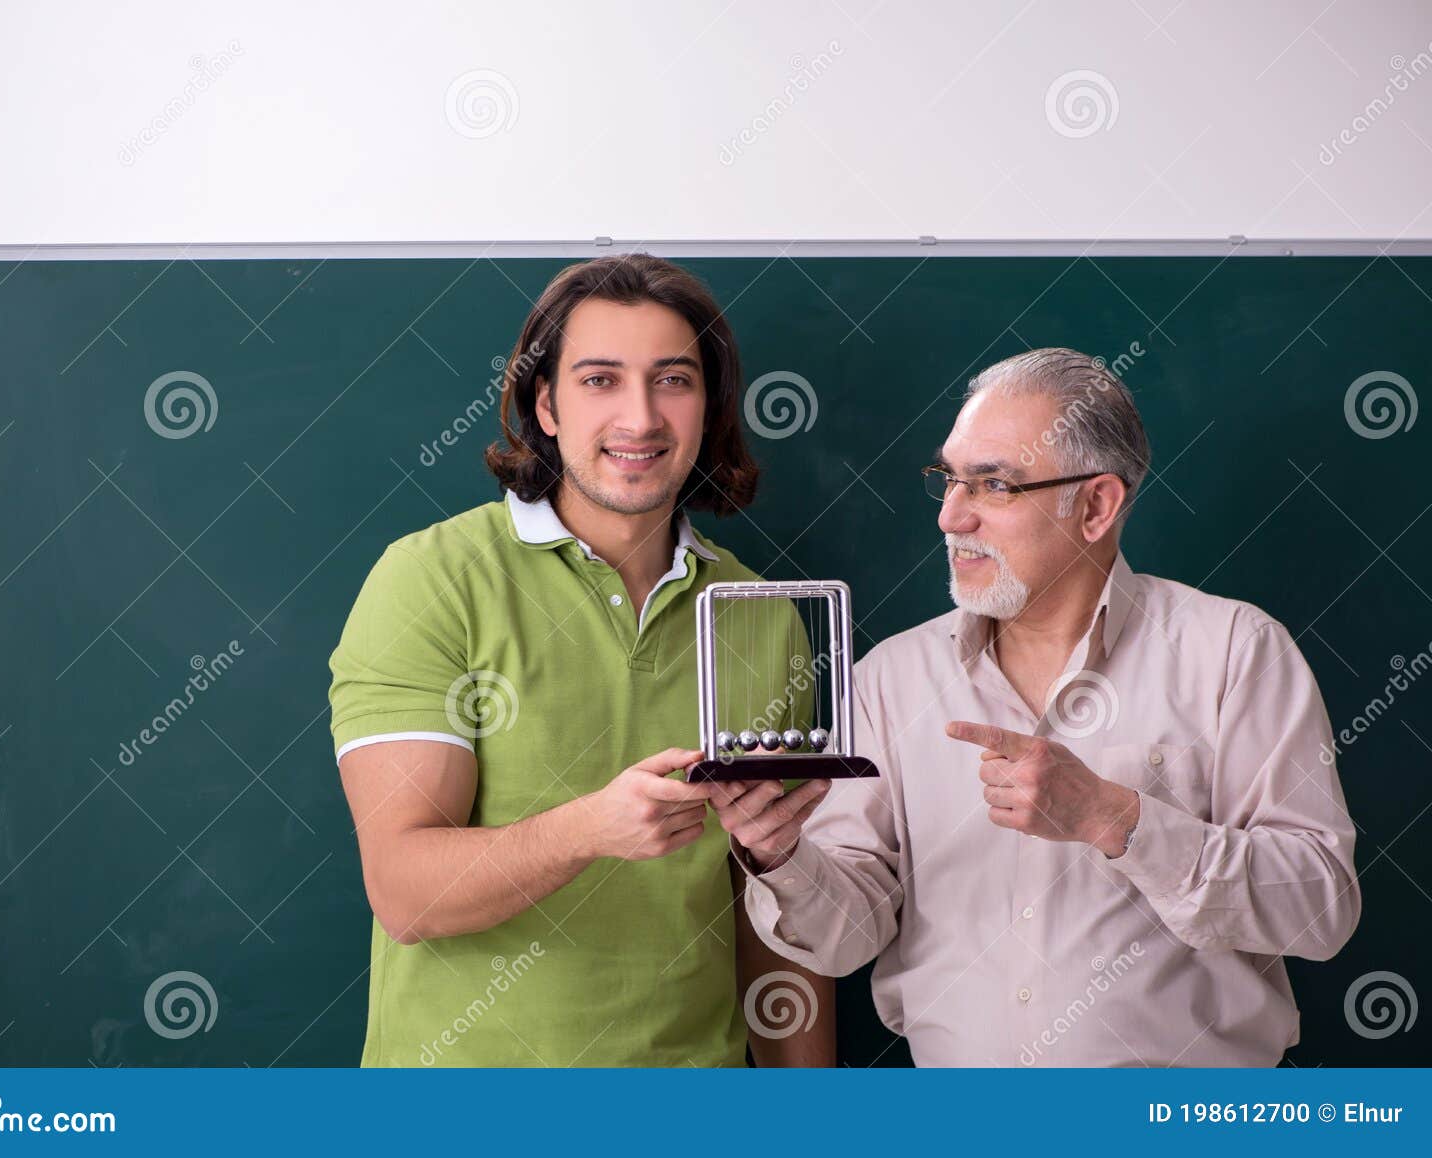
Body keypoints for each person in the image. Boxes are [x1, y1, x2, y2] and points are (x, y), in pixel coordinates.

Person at [711, 347, 1361, 1066]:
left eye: (992, 485)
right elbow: (844, 939)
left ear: (1095, 505)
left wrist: (1116, 820)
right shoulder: (893, 678)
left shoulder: (1234, 652)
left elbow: (1319, 908)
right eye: (949, 480)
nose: (951, 518)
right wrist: (781, 854)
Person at [328, 253, 832, 1066]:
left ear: (709, 407)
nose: (640, 418)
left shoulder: (762, 613)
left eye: (673, 380)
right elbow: (403, 891)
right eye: (601, 380)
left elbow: (773, 913)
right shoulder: (433, 580)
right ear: (547, 405)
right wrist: (588, 831)